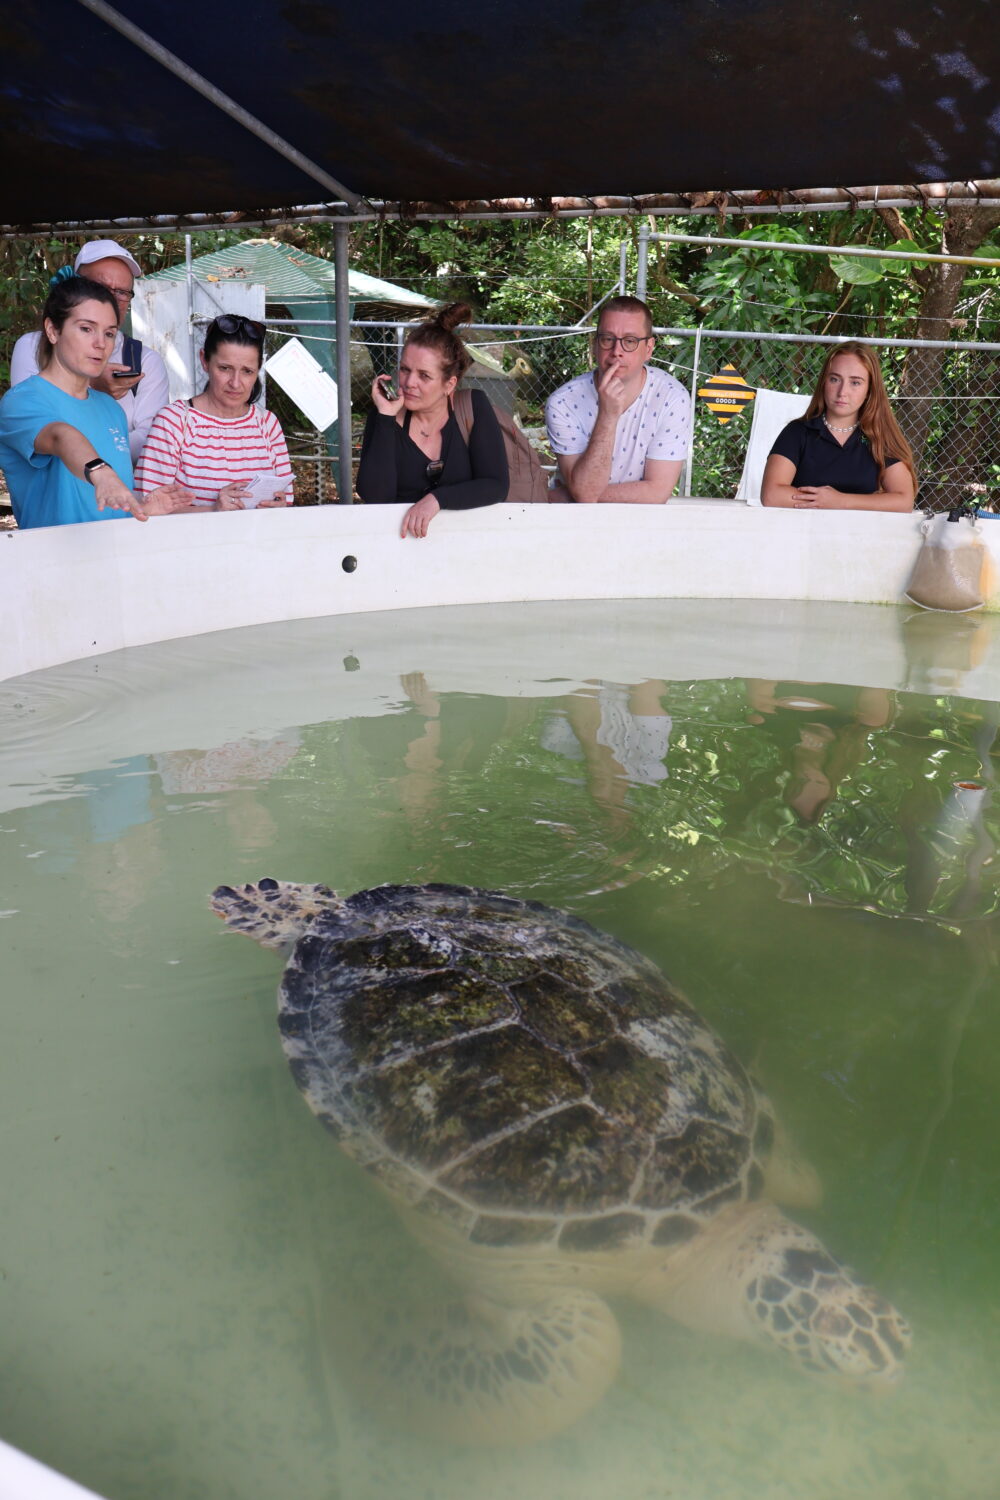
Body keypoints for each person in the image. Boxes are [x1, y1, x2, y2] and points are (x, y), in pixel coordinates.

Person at [0, 275, 192, 529]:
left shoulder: (111, 408)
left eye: (110, 333)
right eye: (86, 328)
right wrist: (101, 472)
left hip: (114, 560)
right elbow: (61, 435)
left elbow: (102, 503)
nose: (101, 344)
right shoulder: (22, 400)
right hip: (51, 563)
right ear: (53, 330)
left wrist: (143, 507)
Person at [355, 302, 508, 538]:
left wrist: (437, 499)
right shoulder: (385, 413)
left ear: (449, 384)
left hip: (467, 546)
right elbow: (375, 496)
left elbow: (496, 485)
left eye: (424, 375)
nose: (409, 382)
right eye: (405, 369)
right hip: (397, 547)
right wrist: (385, 417)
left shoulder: (473, 407)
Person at [10, 239, 170, 463]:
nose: (112, 299)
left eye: (123, 292)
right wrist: (93, 385)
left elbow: (152, 441)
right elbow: (31, 424)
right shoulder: (33, 346)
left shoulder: (145, 361)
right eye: (101, 288)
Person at [134, 314, 293, 510]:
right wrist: (213, 510)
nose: (235, 383)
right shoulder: (174, 422)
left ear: (259, 369)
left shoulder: (267, 424)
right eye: (225, 368)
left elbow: (286, 501)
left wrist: (279, 506)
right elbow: (147, 508)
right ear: (205, 361)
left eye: (247, 371)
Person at [544, 295, 689, 504]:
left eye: (630, 341)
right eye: (607, 339)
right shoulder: (563, 403)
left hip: (640, 521)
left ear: (648, 349)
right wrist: (608, 415)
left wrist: (574, 493)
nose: (616, 351)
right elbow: (585, 495)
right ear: (595, 345)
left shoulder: (673, 398)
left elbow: (657, 491)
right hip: (576, 523)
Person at [761, 342, 917, 510]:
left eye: (855, 382)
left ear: (869, 390)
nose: (842, 392)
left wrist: (841, 501)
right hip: (804, 533)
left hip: (862, 535)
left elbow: (904, 500)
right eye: (835, 379)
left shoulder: (880, 437)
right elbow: (772, 494)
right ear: (824, 383)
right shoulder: (797, 432)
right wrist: (823, 502)